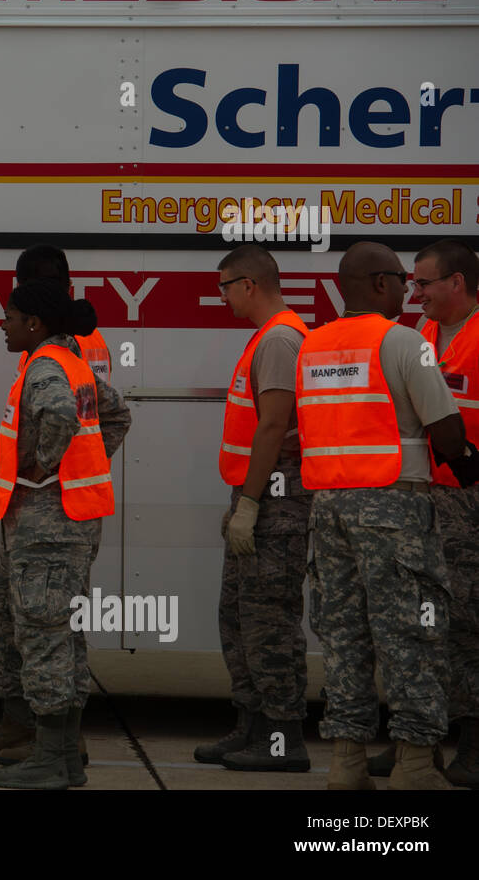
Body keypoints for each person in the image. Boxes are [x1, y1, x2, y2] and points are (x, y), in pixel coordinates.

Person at [297, 239, 476, 790]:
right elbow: (446, 430)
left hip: (328, 510)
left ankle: (347, 762)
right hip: (394, 506)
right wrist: (466, 464)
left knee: (345, 636)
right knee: (411, 635)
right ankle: (415, 765)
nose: (410, 290)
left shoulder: (313, 346)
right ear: (380, 284)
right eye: (403, 279)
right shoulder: (402, 342)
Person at [0, 245, 129, 767]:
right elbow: (115, 414)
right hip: (54, 516)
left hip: (49, 520)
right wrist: (78, 462)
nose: (3, 324)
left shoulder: (48, 363)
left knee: (44, 630)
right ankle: (36, 732)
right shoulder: (61, 355)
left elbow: (64, 415)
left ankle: (55, 750)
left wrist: (47, 466)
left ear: (35, 319)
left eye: (11, 317)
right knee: (27, 618)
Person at [194, 244, 313, 772]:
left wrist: (249, 502)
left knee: (269, 620)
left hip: (276, 497)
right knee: (238, 616)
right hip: (260, 493)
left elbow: (273, 425)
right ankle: (251, 725)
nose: (220, 297)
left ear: (249, 285)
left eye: (224, 286)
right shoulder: (268, 338)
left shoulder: (282, 338)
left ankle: (283, 739)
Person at [399, 238, 479, 787]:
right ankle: (418, 747)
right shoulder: (422, 336)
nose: (415, 292)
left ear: (457, 282)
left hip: (469, 501)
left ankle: (473, 744)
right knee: (423, 623)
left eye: (424, 282)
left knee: (468, 623)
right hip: (424, 499)